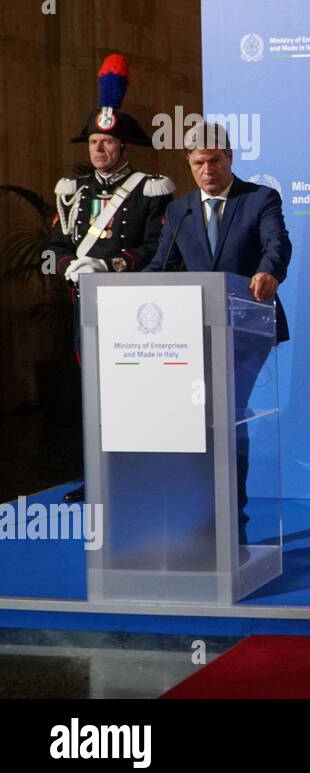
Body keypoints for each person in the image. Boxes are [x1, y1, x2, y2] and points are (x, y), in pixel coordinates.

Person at [146, 121, 292, 545]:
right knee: (200, 417)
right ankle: (204, 510)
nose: (207, 170)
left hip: (248, 325)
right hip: (190, 332)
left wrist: (269, 271)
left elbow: (277, 244)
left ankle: (234, 514)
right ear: (188, 165)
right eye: (198, 163)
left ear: (230, 159)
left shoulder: (260, 198)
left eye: (215, 161)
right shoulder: (180, 211)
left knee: (228, 410)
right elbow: (163, 265)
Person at [51, 53, 173, 502]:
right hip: (85, 307)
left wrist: (109, 265)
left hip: (133, 309)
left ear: (123, 147)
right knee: (94, 395)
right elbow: (55, 247)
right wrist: (70, 267)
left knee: (132, 391)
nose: (98, 149)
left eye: (107, 143)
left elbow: (158, 248)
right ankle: (98, 477)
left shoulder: (149, 190)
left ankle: (136, 473)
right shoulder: (74, 194)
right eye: (93, 143)